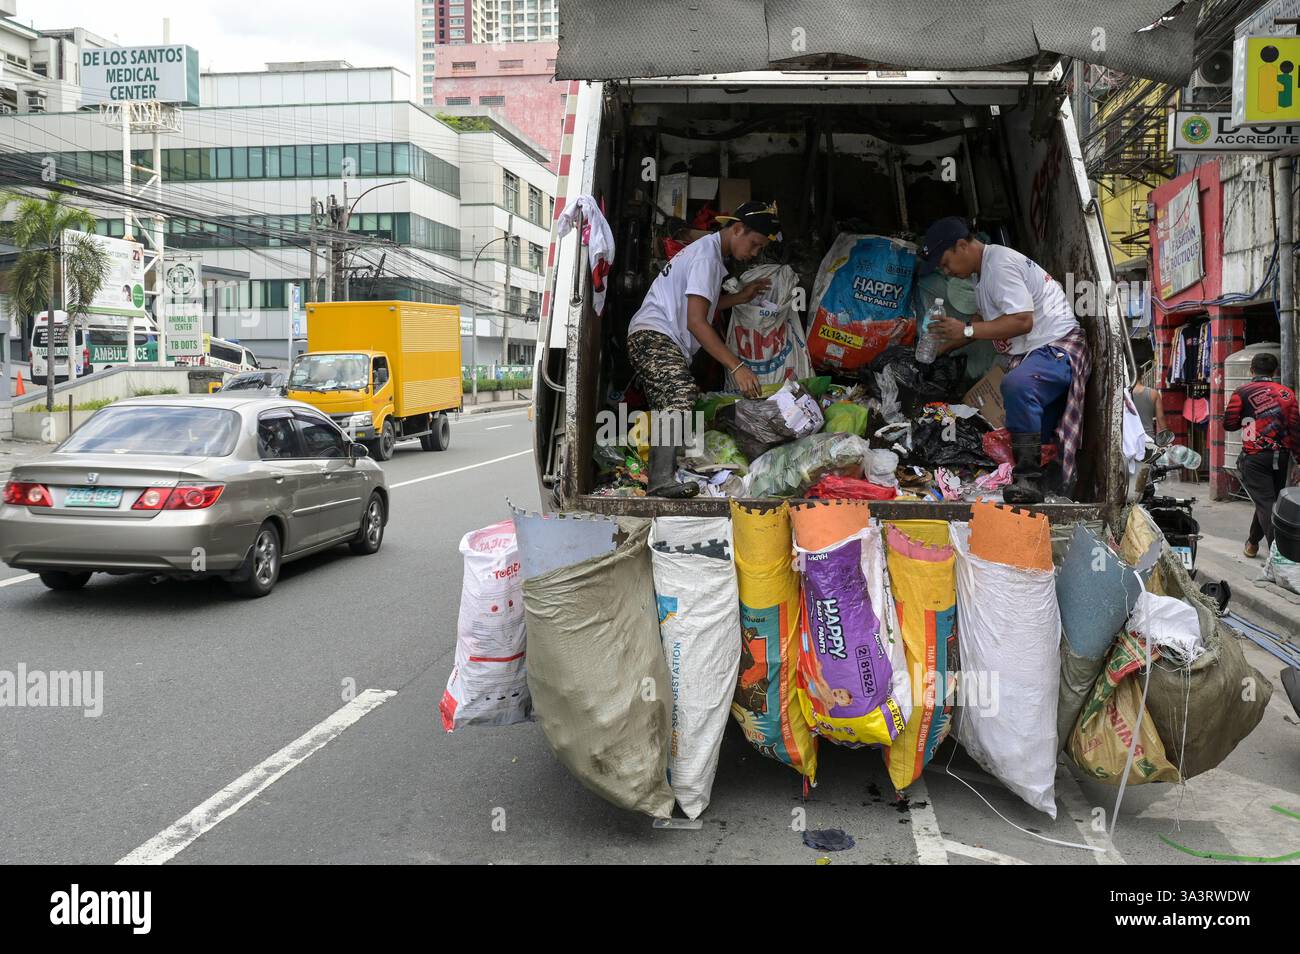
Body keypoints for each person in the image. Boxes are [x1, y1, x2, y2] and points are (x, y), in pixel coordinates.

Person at [919, 216, 1092, 505]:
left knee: (1018, 385)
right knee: (1040, 434)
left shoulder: (999, 265)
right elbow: (978, 324)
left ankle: (1027, 479)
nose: (946, 272)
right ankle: (1046, 489)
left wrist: (966, 329)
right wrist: (939, 350)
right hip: (1036, 354)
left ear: (961, 245)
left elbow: (1022, 321)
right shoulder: (982, 274)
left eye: (946, 263)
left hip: (1056, 347)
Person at [625, 201, 781, 498]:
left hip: (653, 334)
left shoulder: (708, 255)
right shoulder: (707, 258)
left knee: (675, 401)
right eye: (754, 244)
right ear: (737, 229)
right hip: (654, 334)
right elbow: (697, 322)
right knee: (680, 393)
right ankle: (660, 481)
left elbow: (702, 306)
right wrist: (737, 367)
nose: (754, 253)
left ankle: (663, 476)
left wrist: (741, 297)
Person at [1224, 352, 1299, 557]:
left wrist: (1250, 419)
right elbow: (1296, 430)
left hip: (1254, 456)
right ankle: (1252, 543)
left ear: (1251, 370)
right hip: (1280, 457)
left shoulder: (1242, 392)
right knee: (1268, 501)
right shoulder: (1287, 394)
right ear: (1274, 371)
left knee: (1266, 503)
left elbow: (1229, 424)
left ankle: (1281, 555)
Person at [1130, 365, 1166, 438]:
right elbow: (1160, 417)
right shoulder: (1154, 393)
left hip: (1130, 440)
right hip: (1148, 438)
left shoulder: (1124, 395)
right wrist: (1166, 437)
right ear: (1142, 375)